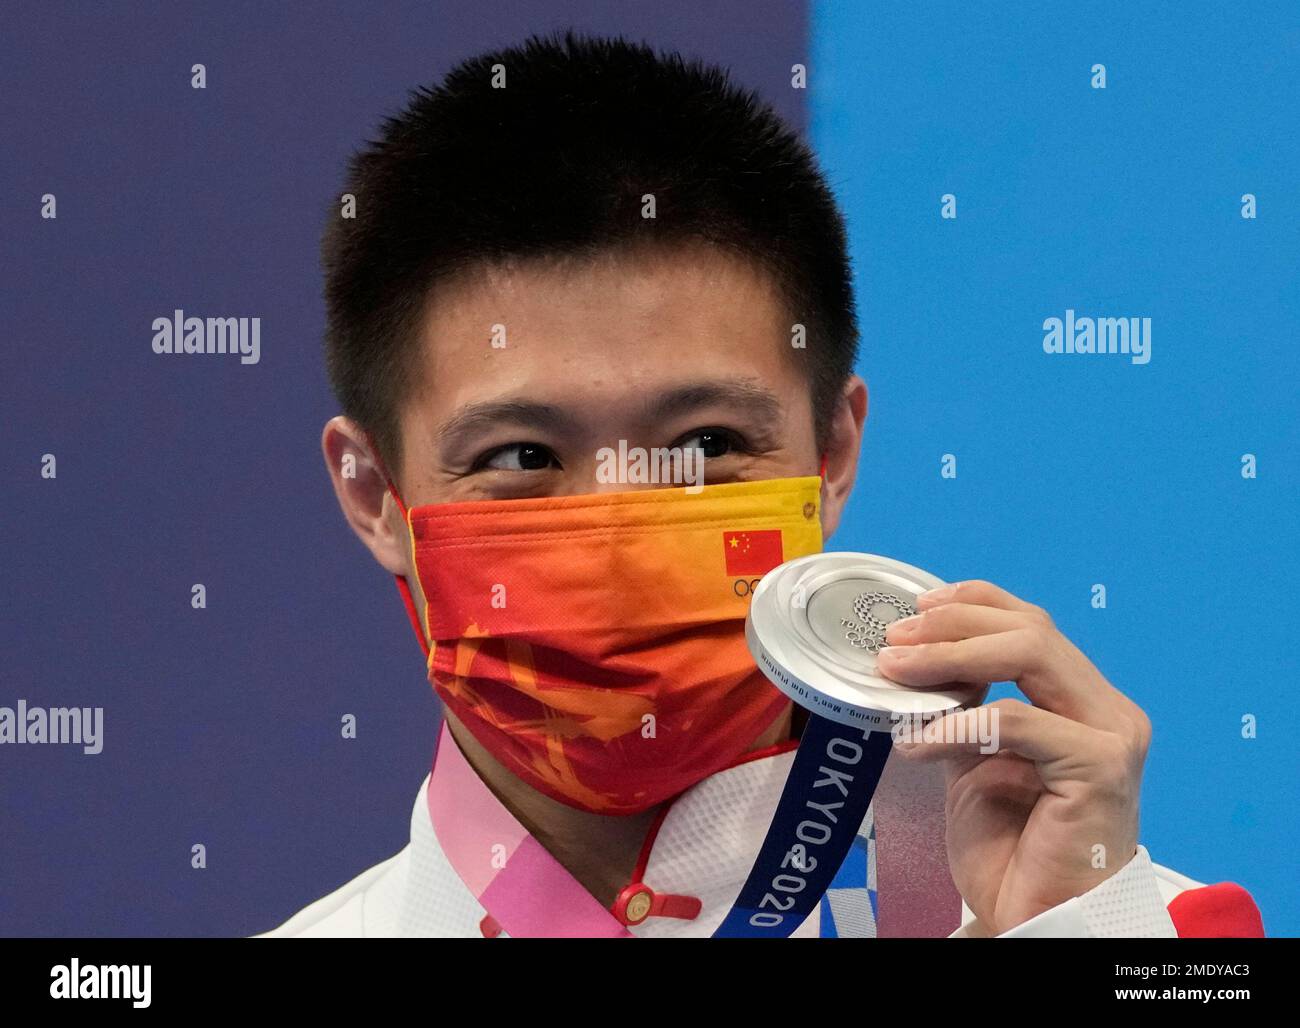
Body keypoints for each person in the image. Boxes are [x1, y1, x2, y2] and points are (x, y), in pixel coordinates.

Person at [259, 32, 1262, 938]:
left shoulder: (1142, 934)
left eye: (704, 442)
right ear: (374, 493)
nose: (627, 531)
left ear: (831, 454)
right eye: (522, 456)